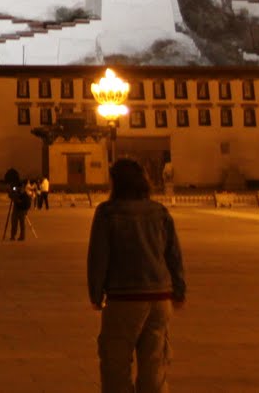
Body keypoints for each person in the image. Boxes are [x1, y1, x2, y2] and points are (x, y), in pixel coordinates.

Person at [88, 158, 186, 393]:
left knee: (116, 364)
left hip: (124, 298)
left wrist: (96, 294)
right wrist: (179, 290)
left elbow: (98, 256)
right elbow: (173, 254)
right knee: (154, 364)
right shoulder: (159, 212)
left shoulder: (107, 213)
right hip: (160, 298)